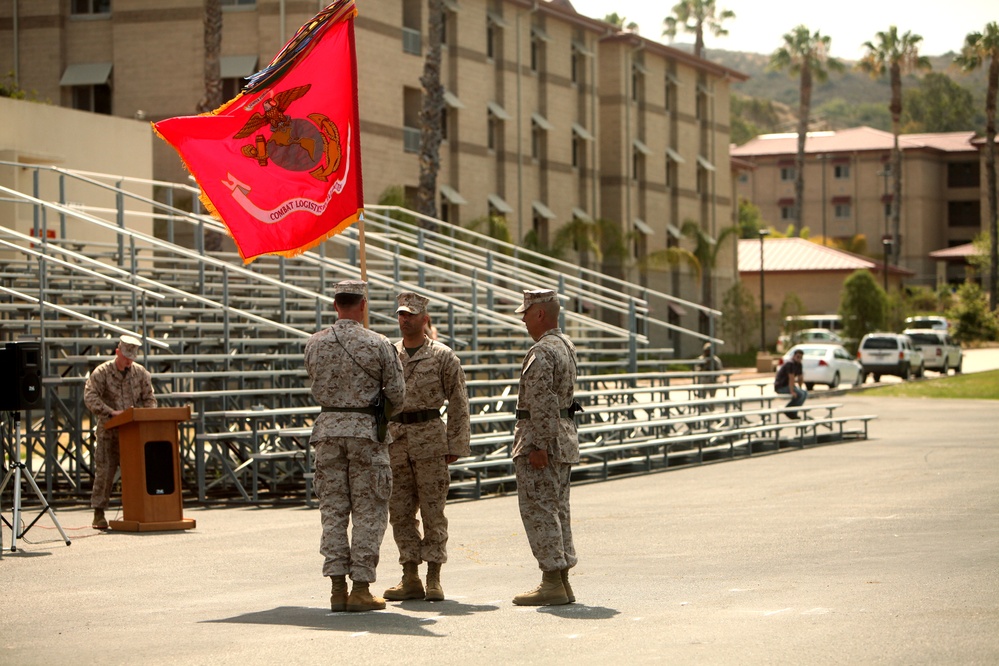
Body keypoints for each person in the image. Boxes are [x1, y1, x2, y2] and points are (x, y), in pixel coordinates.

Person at [305, 280, 405, 613]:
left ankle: (337, 588)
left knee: (333, 511)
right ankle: (360, 588)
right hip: (366, 435)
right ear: (363, 304)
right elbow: (398, 394)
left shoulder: (314, 343)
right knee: (369, 511)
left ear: (336, 305)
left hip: (328, 432)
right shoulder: (379, 343)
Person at [382, 292, 470, 603]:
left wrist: (456, 443)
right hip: (396, 440)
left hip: (430, 438)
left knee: (434, 510)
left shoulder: (443, 356)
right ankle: (410, 576)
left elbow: (458, 401)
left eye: (410, 314)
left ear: (425, 319)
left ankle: (434, 576)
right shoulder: (389, 354)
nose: (404, 319)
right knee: (400, 511)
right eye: (401, 314)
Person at [511, 289, 580, 606]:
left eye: (526, 313)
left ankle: (552, 580)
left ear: (540, 313)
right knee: (558, 509)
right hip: (563, 437)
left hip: (543, 441)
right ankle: (562, 580)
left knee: (540, 510)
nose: (523, 320)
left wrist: (538, 445)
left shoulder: (541, 351)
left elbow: (541, 402)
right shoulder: (565, 345)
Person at [84, 334, 157, 529]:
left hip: (132, 432)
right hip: (109, 430)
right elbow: (90, 396)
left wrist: (145, 416)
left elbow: (149, 398)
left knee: (135, 471)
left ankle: (137, 511)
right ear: (117, 352)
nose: (128, 362)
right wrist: (110, 412)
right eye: (126, 358)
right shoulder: (102, 372)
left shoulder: (140, 373)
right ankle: (99, 513)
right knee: (105, 471)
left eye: (132, 358)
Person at [774, 347, 808, 419]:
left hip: (789, 386)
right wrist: (792, 391)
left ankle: (793, 412)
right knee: (800, 394)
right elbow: (791, 378)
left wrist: (800, 387)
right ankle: (788, 410)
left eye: (801, 357)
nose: (799, 359)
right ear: (794, 356)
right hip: (781, 386)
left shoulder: (799, 364)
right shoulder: (790, 363)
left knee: (805, 393)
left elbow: (800, 378)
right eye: (798, 357)